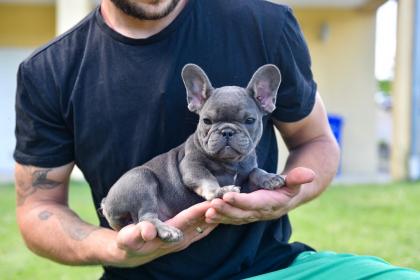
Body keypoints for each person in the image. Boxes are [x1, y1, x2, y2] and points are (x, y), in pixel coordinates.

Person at [13, 0, 420, 279]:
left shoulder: (263, 23)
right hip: (138, 276)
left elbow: (316, 140)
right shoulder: (50, 70)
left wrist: (280, 198)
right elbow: (38, 208)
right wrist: (112, 248)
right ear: (196, 100)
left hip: (270, 264)